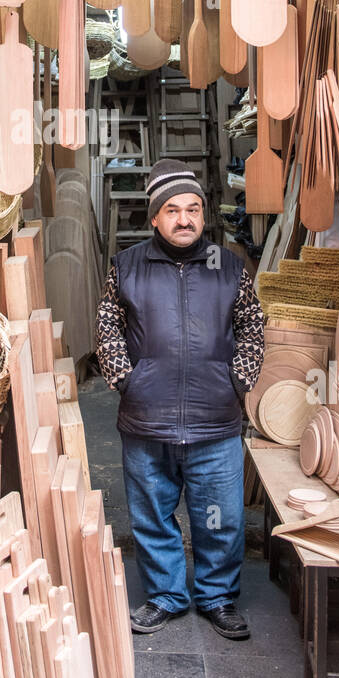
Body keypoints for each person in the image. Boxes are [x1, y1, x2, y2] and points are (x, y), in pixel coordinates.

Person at [95, 158, 265, 639]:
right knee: (152, 516)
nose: (185, 219)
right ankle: (166, 595)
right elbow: (107, 326)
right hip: (147, 419)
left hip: (215, 420)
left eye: (193, 209)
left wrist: (238, 380)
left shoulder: (228, 267)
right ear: (155, 218)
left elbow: (253, 326)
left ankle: (217, 597)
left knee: (221, 519)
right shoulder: (127, 267)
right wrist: (126, 379)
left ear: (203, 215)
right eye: (172, 210)